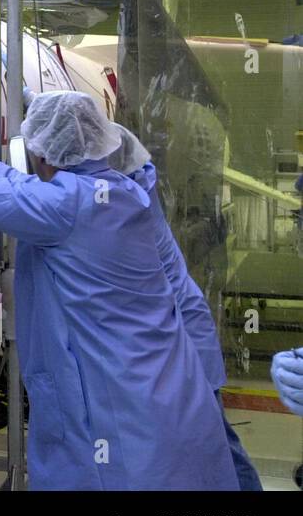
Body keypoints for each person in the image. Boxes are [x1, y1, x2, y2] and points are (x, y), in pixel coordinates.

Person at [0, 87, 239, 490]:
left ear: (44, 153)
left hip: (120, 407)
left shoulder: (63, 207)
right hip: (172, 387)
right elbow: (12, 182)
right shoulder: (121, 190)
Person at [105, 121, 262, 490]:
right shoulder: (141, 187)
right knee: (212, 440)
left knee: (216, 441)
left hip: (187, 345)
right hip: (186, 341)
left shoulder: (129, 207)